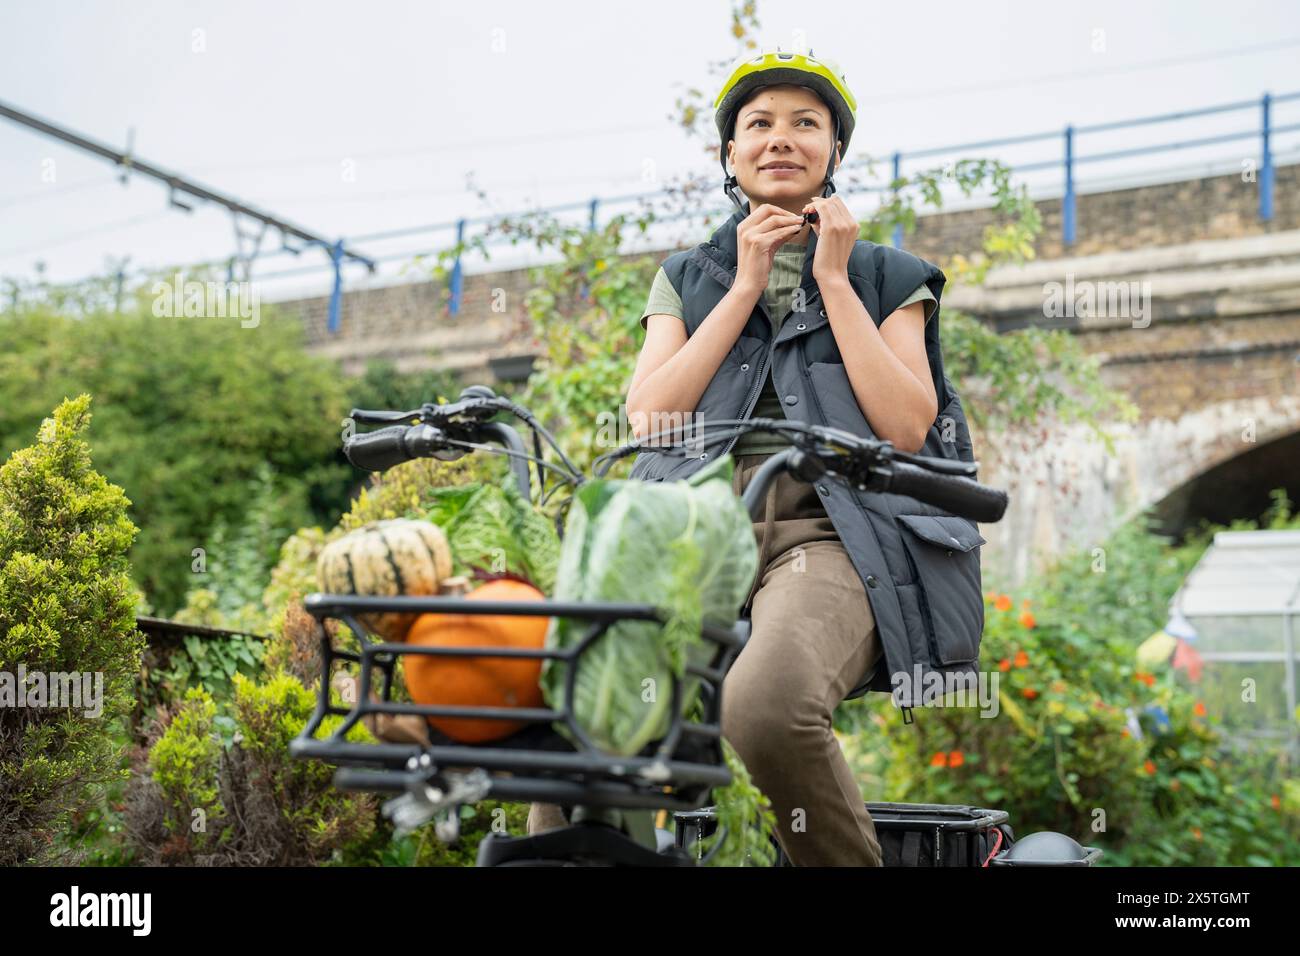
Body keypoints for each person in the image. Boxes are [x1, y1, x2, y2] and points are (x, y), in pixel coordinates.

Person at [529, 48, 984, 866]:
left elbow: (907, 427)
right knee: (582, 719)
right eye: (759, 125)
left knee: (766, 707)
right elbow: (652, 419)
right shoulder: (687, 276)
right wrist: (740, 287)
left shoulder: (891, 276)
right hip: (689, 535)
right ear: (730, 157)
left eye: (806, 123)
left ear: (834, 153)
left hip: (831, 534)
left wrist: (836, 284)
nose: (782, 138)